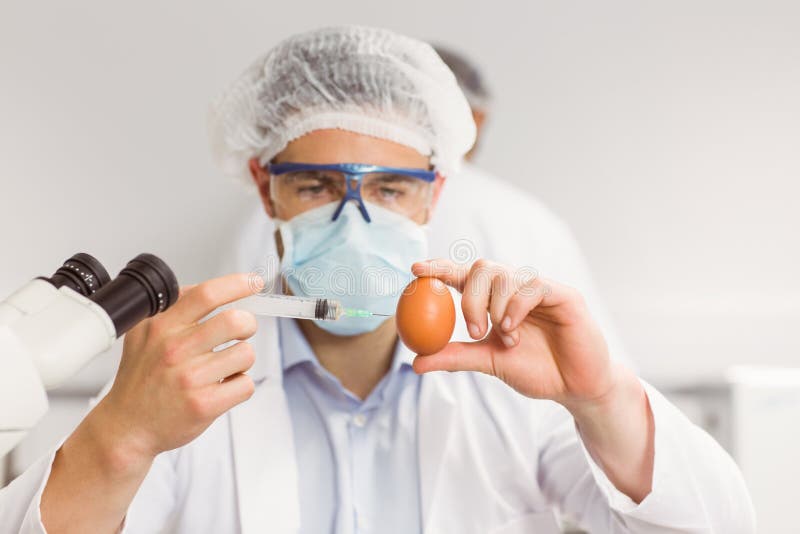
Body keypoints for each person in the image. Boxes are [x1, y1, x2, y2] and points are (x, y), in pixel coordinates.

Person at [0, 26, 754, 533]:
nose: (354, 221)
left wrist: (603, 399)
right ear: (266, 189)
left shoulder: (513, 390)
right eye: (318, 186)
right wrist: (121, 438)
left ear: (435, 192)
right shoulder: (182, 384)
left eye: (390, 190)